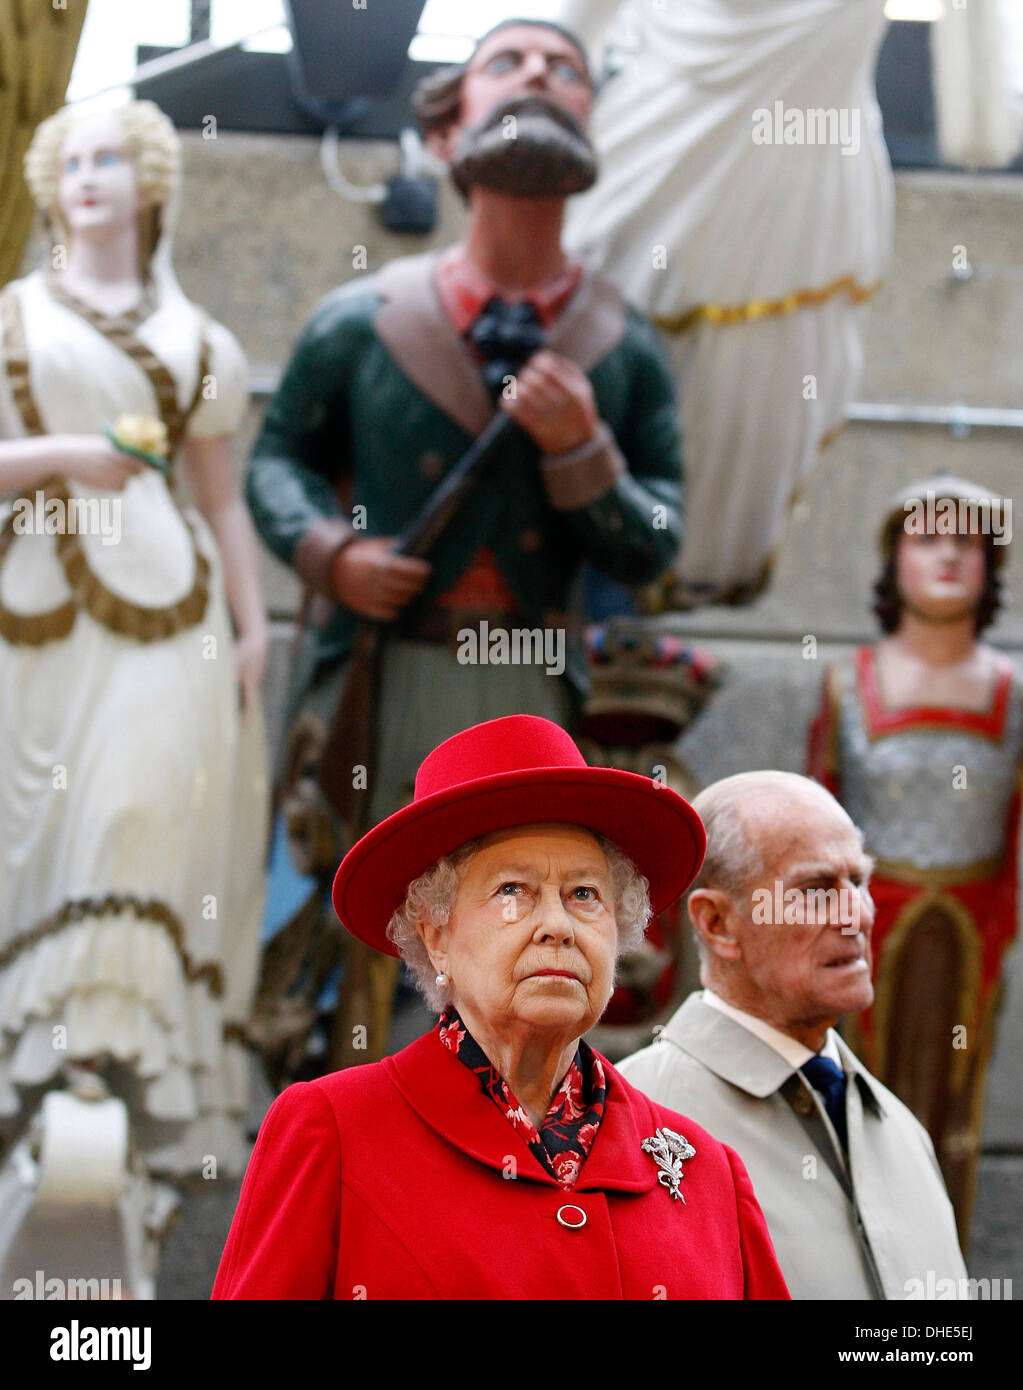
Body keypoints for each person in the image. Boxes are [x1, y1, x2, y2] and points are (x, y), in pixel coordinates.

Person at [248, 17, 684, 1065]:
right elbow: (278, 462)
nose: (537, 76)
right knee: (373, 920)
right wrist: (332, 555)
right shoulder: (358, 320)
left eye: (564, 69)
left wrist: (585, 453)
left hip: (536, 683)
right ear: (444, 131)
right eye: (507, 64)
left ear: (595, 123)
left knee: (514, 932)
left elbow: (656, 540)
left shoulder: (624, 348)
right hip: (380, 677)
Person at [213, 715, 789, 1300]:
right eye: (513, 891)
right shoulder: (332, 1133)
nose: (558, 926)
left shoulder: (708, 1172)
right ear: (435, 932)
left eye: (584, 894)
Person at [0, 101, 268, 1188]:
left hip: (171, 604)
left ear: (151, 183)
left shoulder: (202, 342)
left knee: (134, 809)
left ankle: (102, 1055)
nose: (91, 179)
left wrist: (255, 628)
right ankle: (37, 1076)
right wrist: (65, 452)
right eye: (73, 163)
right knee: (32, 831)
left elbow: (225, 503)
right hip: (32, 602)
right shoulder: (12, 318)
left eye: (111, 159)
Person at [557, 0, 893, 605]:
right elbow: (561, 44)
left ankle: (686, 568)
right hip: (646, 161)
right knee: (600, 380)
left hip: (796, 203)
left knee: (747, 413)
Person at [618, 771, 968, 1300]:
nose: (857, 915)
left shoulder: (901, 1130)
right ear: (717, 923)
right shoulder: (625, 1120)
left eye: (860, 882)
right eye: (816, 890)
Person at [808, 474, 1020, 1246]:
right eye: (926, 538)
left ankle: (935, 1275)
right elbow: (810, 827)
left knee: (949, 1101)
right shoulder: (844, 686)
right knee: (853, 1096)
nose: (946, 557)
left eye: (966, 542)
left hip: (970, 940)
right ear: (892, 558)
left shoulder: (1013, 692)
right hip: (861, 931)